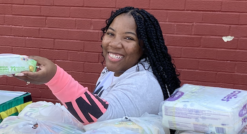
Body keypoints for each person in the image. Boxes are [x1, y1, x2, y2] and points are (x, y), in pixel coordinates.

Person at [19, 7, 181, 124]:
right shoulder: (114, 71)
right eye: (110, 34)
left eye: (128, 38)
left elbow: (100, 118)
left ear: (144, 46)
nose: (115, 44)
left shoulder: (144, 81)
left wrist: (54, 77)